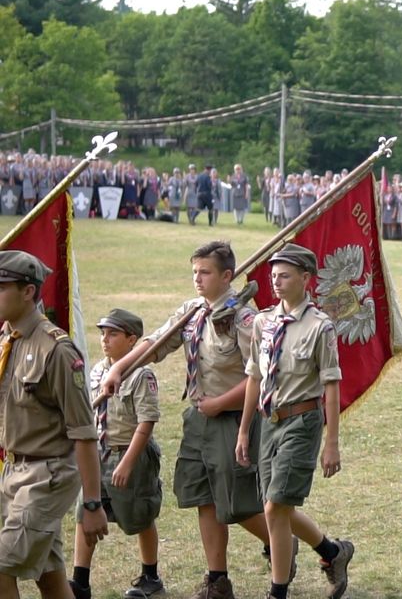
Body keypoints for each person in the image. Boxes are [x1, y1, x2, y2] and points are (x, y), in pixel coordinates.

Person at [101, 241, 274, 599]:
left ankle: (281, 543)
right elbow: (155, 343)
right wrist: (120, 365)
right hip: (198, 419)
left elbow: (260, 376)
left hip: (231, 418)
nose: (197, 278)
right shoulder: (191, 312)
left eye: (205, 272)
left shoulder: (244, 319)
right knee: (203, 497)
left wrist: (220, 402)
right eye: (194, 271)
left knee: (236, 505)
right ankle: (217, 580)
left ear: (227, 276)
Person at [235, 244, 353, 599]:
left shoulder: (320, 327)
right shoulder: (264, 322)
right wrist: (243, 430)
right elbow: (254, 377)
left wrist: (331, 442)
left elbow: (331, 385)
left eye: (285, 275)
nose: (276, 282)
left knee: (274, 506)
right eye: (273, 276)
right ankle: (333, 553)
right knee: (278, 505)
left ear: (305, 278)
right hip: (269, 422)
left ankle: (278, 591)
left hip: (302, 422)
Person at [0, 251, 108, 599]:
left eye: (1, 287)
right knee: (49, 576)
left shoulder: (57, 351)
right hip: (13, 472)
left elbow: (84, 432)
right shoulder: (7, 339)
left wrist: (92, 504)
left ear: (28, 291)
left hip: (47, 477)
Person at [70, 309, 164, 599]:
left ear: (132, 339)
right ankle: (80, 581)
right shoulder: (98, 370)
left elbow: (146, 422)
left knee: (139, 515)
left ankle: (151, 577)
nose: (105, 339)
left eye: (113, 334)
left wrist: (127, 463)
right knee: (85, 511)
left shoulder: (141, 375)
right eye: (102, 333)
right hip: (99, 452)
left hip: (130, 454)